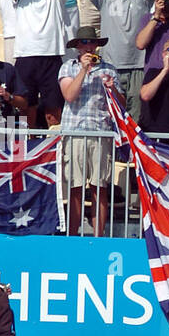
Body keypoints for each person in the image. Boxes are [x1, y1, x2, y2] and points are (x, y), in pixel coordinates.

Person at [60, 24, 120, 237]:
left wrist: (113, 89)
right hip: (74, 132)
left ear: (97, 45)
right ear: (77, 46)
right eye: (83, 43)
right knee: (75, 189)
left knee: (99, 188)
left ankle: (99, 237)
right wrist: (84, 71)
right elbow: (69, 95)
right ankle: (73, 236)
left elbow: (121, 105)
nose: (88, 47)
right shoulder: (68, 67)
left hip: (100, 132)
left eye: (91, 43)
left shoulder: (109, 69)